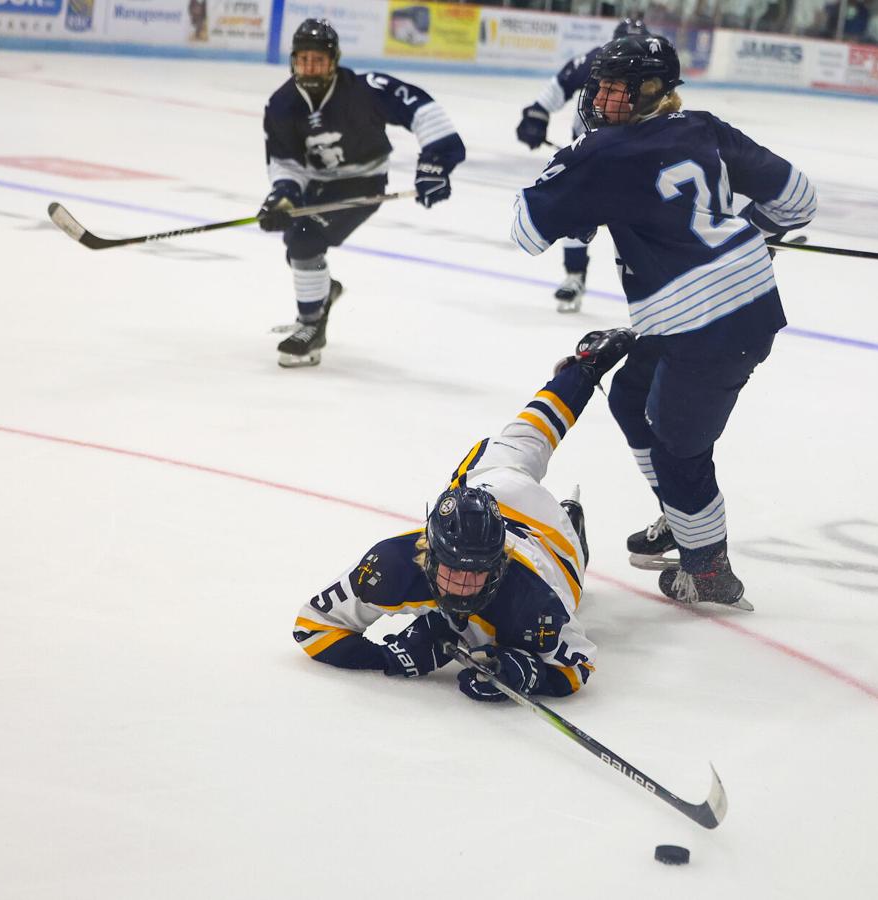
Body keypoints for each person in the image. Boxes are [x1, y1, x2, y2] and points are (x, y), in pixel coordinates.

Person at [511, 36, 816, 611]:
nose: (601, 98)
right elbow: (798, 201)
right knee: (630, 396)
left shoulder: (601, 153)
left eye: (614, 89)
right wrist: (747, 234)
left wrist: (573, 166)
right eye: (598, 86)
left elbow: (527, 231)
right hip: (721, 313)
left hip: (714, 329)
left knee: (680, 452)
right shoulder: (705, 129)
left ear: (652, 90)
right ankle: (683, 519)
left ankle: (709, 570)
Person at [293, 328, 635, 699]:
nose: (462, 584)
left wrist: (525, 673)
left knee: (570, 583)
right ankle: (584, 368)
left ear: (500, 562)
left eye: (476, 571)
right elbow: (311, 627)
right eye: (454, 568)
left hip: (552, 543)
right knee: (523, 438)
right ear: (430, 550)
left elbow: (577, 666)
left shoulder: (535, 602)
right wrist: (388, 657)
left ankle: (573, 526)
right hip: (495, 485)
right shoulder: (392, 565)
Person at [260, 19, 466, 367]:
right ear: (294, 60)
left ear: (335, 60)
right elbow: (286, 161)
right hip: (317, 181)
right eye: (304, 60)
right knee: (297, 244)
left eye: (319, 60)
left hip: (362, 181)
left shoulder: (365, 89)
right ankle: (323, 293)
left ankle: (312, 327)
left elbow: (423, 109)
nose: (310, 68)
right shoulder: (282, 103)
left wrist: (436, 162)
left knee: (305, 241)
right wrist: (284, 195)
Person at [514, 17, 651, 313]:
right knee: (574, 214)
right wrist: (537, 114)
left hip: (633, 156)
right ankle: (574, 275)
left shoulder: (654, 75)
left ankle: (648, 283)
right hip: (589, 150)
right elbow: (560, 84)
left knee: (636, 224)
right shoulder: (593, 60)